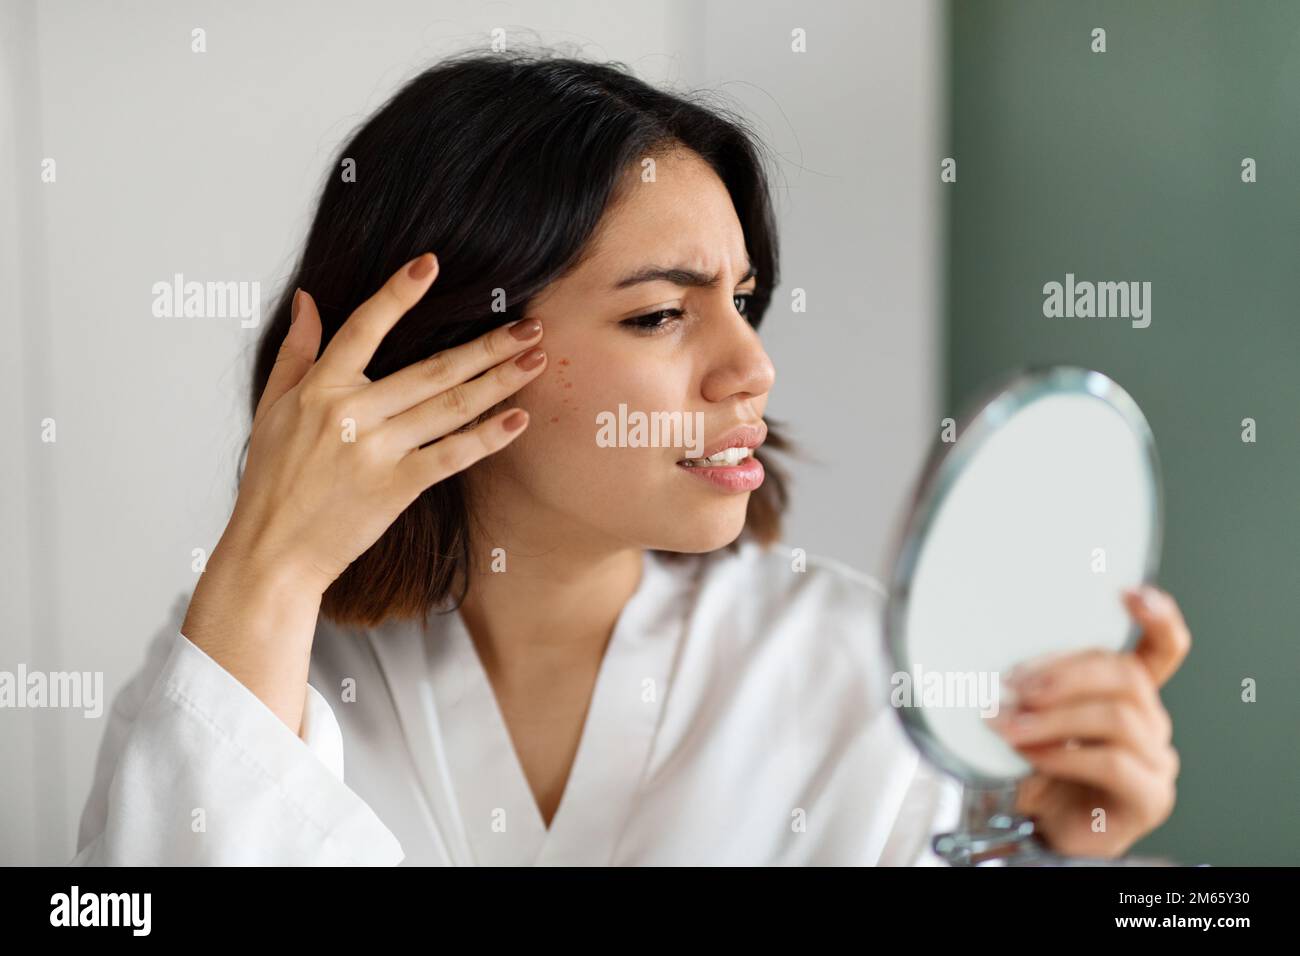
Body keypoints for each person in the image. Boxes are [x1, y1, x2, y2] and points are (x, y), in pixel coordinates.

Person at [72, 50, 1189, 866]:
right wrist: (266, 565)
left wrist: (1057, 857)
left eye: (743, 301)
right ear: (448, 348)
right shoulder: (257, 668)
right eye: (662, 314)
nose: (750, 368)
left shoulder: (867, 681)